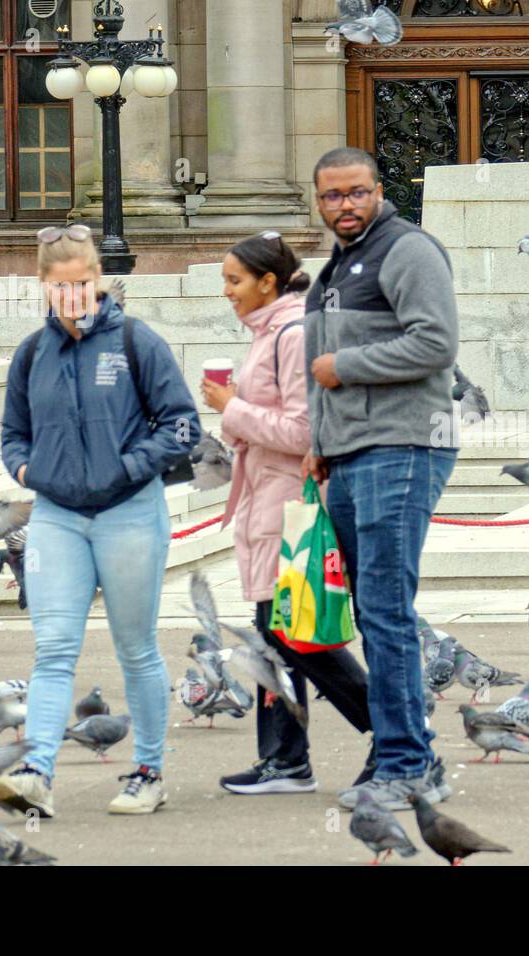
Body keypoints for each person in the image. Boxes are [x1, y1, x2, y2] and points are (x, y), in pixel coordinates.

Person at [0, 224, 201, 818]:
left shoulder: (136, 342)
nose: (74, 295)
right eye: (62, 286)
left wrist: (128, 467)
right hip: (57, 515)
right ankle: (36, 772)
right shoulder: (32, 353)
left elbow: (183, 425)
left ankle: (149, 772)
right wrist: (27, 471)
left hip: (130, 513)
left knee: (135, 650)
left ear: (99, 280)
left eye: (83, 283)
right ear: (43, 286)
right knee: (54, 650)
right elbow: (12, 433)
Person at [302, 147, 459, 812]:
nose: (345, 204)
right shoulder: (337, 265)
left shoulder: (407, 249)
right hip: (354, 452)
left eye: (356, 192)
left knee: (386, 612)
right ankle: (406, 752)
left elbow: (436, 343)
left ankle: (407, 766)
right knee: (373, 612)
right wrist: (320, 441)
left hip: (402, 445)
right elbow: (322, 369)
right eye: (333, 195)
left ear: (378, 191)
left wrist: (349, 365)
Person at [201, 230, 376, 795]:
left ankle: (393, 725)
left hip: (289, 504)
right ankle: (285, 759)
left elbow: (305, 430)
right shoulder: (268, 331)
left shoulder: (292, 332)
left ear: (267, 281)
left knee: (292, 634)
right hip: (265, 500)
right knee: (273, 634)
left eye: (234, 280)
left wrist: (233, 411)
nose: (227, 292)